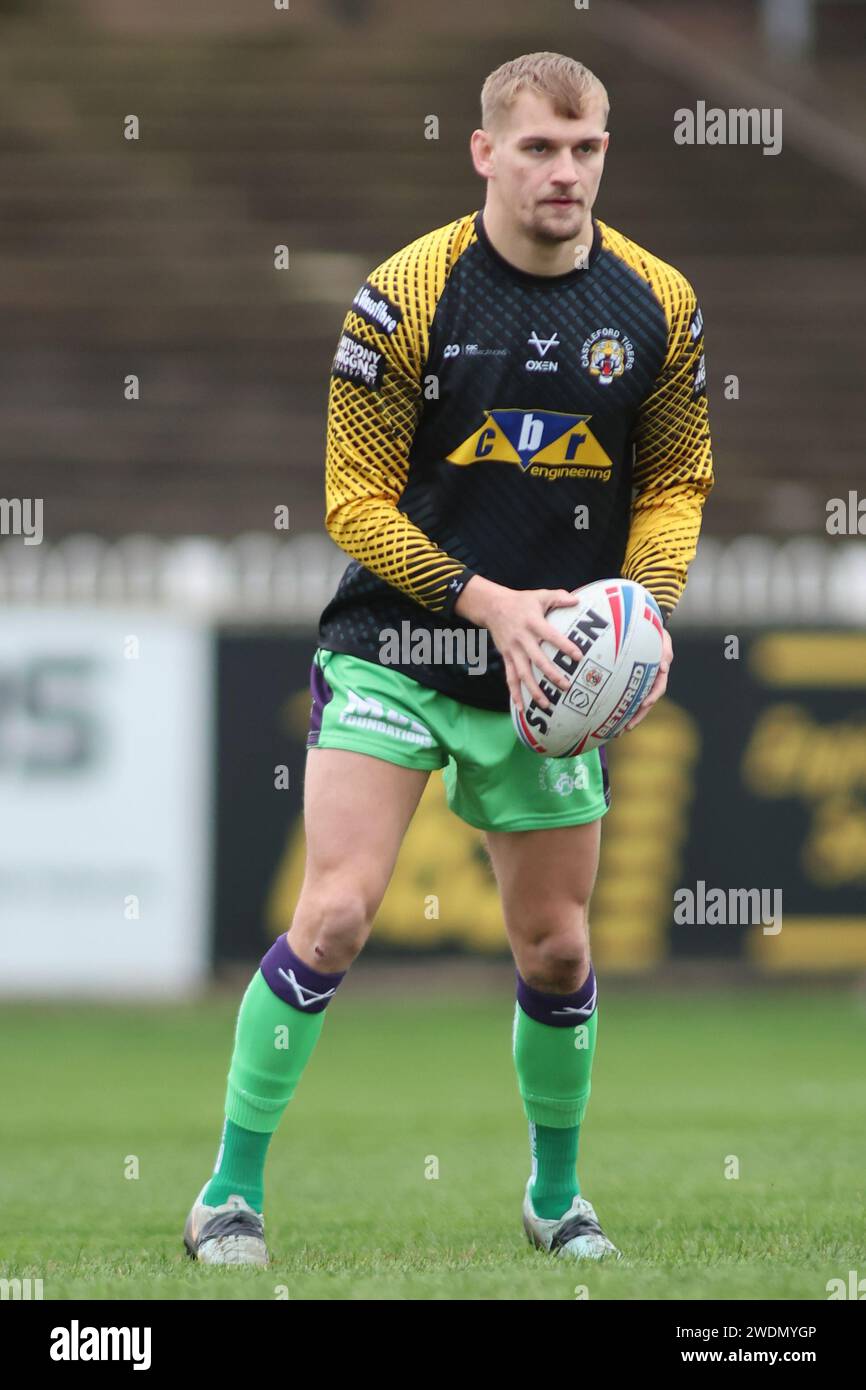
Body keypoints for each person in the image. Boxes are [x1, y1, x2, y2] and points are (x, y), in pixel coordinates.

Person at [184, 50, 714, 1267]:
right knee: (331, 912)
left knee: (560, 947)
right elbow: (353, 502)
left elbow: (675, 482)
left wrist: (639, 611)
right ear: (484, 152)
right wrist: (486, 602)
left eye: (584, 150)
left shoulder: (658, 306)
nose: (563, 173)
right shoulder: (404, 294)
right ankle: (228, 1194)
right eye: (537, 148)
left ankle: (555, 1196)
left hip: (550, 670)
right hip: (399, 645)